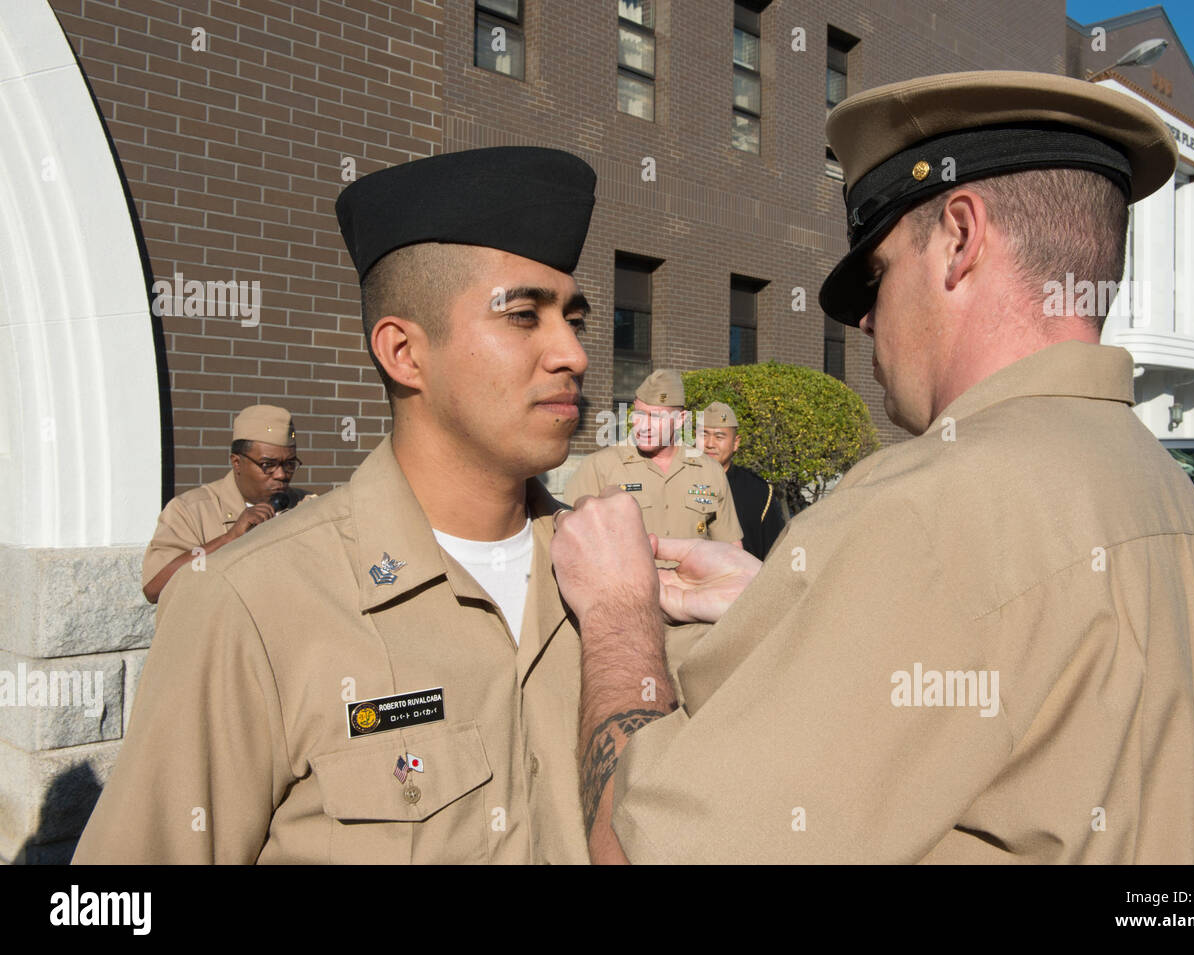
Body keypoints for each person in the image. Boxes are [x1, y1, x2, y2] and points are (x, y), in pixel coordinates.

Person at [551, 71, 1194, 863]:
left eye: (878, 270)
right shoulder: (1172, 503)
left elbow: (640, 850)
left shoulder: (930, 506)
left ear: (960, 237)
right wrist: (804, 603)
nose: (865, 315)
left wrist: (620, 614)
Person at [74, 146, 599, 864]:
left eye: (574, 318)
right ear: (403, 352)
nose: (572, 352)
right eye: (523, 317)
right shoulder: (254, 605)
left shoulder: (613, 580)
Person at [140, 404, 311, 604]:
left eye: (289, 464)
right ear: (236, 462)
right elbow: (154, 589)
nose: (281, 475)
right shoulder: (191, 510)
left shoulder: (307, 507)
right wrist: (229, 539)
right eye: (268, 465)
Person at [563, 370, 743, 552]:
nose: (643, 426)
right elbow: (569, 541)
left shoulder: (709, 470)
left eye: (656, 417)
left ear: (681, 420)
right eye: (639, 414)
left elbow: (731, 549)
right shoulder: (599, 466)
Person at [695, 400, 785, 560]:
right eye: (704, 435)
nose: (710, 444)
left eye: (719, 436)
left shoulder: (759, 491)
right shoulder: (681, 480)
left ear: (736, 443)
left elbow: (775, 553)